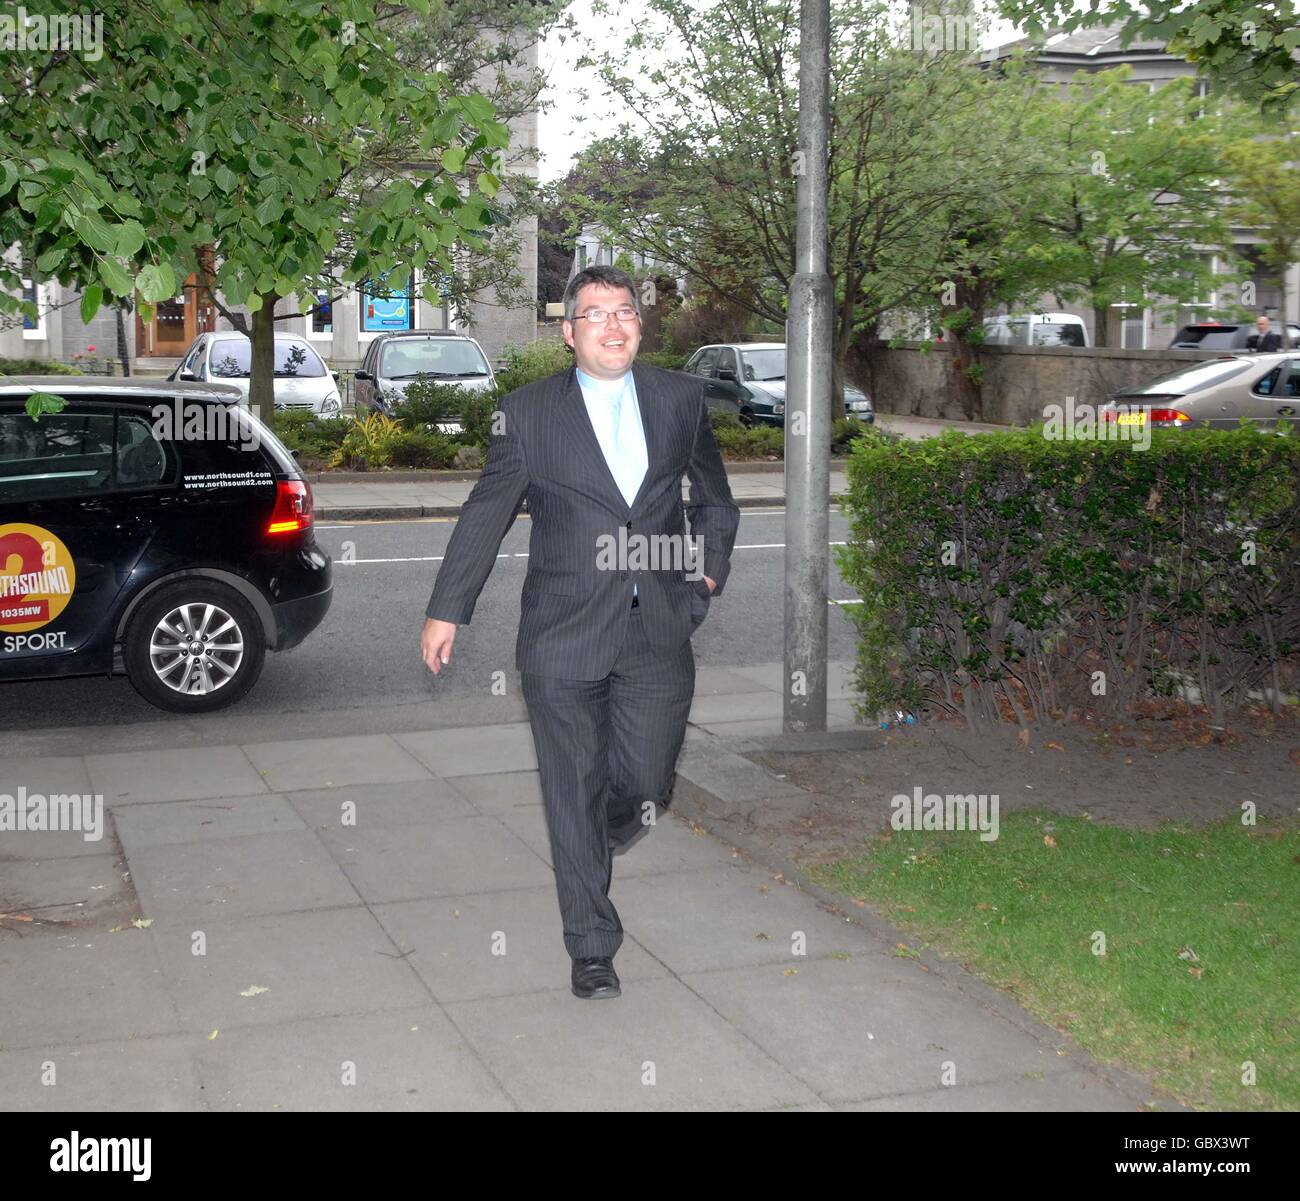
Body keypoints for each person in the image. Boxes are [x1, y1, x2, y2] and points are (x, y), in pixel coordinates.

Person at [420, 265, 740, 999]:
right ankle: (592, 944)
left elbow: (714, 500)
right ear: (569, 333)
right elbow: (485, 512)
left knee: (644, 782)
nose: (614, 325)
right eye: (595, 315)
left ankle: (590, 838)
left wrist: (708, 575)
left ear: (639, 323)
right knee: (571, 784)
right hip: (562, 635)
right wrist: (447, 608)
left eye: (624, 311)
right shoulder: (529, 414)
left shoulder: (681, 400)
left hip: (658, 626)